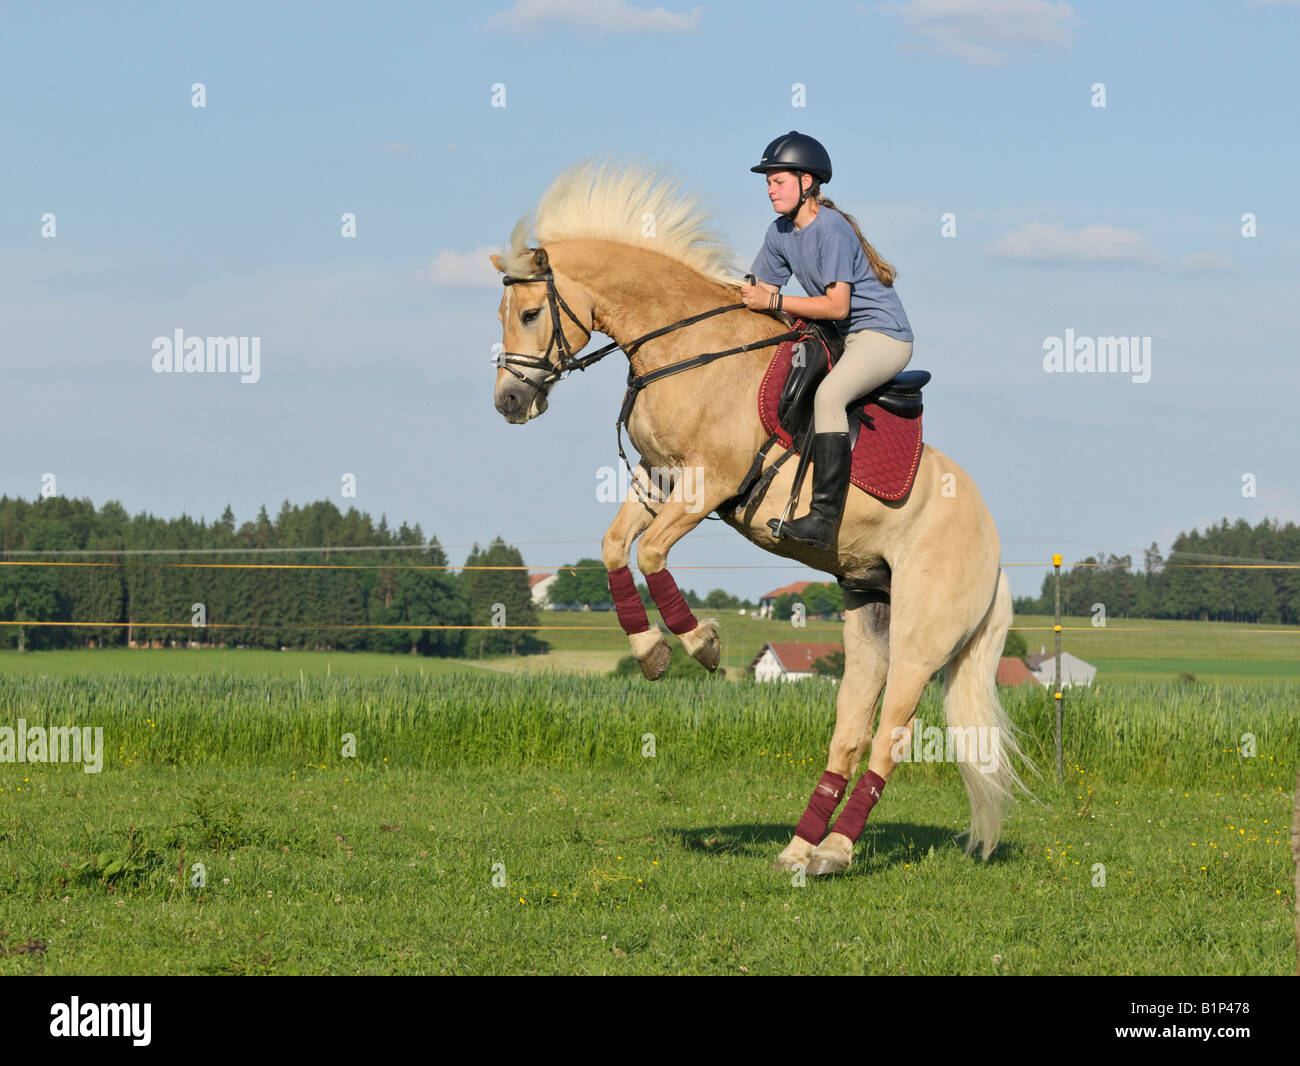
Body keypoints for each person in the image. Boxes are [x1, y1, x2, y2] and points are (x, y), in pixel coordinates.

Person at [741, 131, 914, 551]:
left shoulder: (832, 229)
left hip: (881, 337)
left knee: (829, 397)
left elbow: (837, 306)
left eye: (777, 181)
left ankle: (823, 518)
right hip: (841, 336)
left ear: (806, 183)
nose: (769, 189)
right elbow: (759, 293)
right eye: (766, 182)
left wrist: (775, 299)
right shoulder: (779, 232)